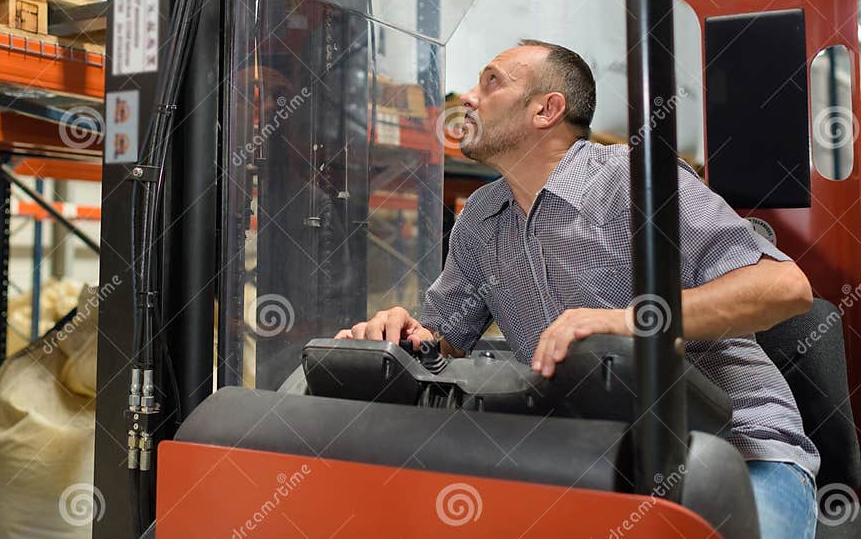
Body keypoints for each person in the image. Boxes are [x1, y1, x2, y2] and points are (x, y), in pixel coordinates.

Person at [336, 40, 820, 539]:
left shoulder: (634, 181)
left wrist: (623, 321)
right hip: (592, 462)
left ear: (546, 110)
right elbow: (444, 342)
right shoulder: (481, 219)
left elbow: (783, 287)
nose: (469, 99)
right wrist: (404, 337)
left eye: (492, 82)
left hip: (737, 452)